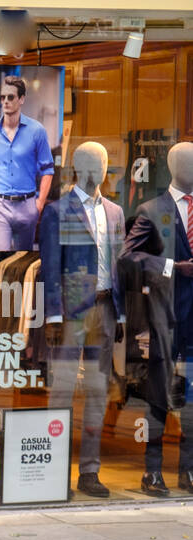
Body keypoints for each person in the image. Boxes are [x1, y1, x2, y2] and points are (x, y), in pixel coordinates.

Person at [39, 142, 125, 498]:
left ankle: (89, 471)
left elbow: (117, 264)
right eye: (93, 161)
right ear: (77, 167)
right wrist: (54, 315)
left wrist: (119, 313)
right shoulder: (58, 212)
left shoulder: (116, 212)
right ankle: (52, 469)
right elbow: (50, 267)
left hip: (104, 310)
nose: (100, 168)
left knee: (97, 391)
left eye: (104, 161)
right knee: (61, 391)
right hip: (72, 313)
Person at [121, 142, 193, 495]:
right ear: (173, 167)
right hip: (164, 316)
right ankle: (152, 471)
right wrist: (171, 267)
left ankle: (189, 469)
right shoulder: (152, 210)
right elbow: (128, 257)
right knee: (158, 396)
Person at [0, 75, 55, 252]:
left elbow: (48, 170)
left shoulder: (37, 131)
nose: (5, 101)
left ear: (21, 99)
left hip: (27, 206)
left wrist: (39, 204)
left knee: (22, 262)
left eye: (10, 97)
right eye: (2, 97)